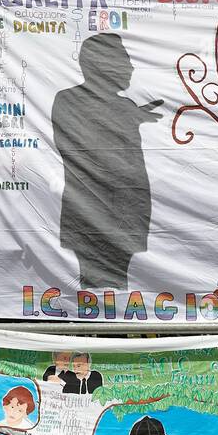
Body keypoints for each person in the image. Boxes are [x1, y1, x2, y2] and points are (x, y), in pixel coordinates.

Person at [52, 32, 163, 290]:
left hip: (127, 211)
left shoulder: (124, 107)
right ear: (102, 65)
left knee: (118, 290)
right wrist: (129, 118)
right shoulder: (68, 100)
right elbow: (86, 150)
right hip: (88, 211)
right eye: (123, 60)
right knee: (97, 290)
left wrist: (131, 116)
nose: (131, 67)